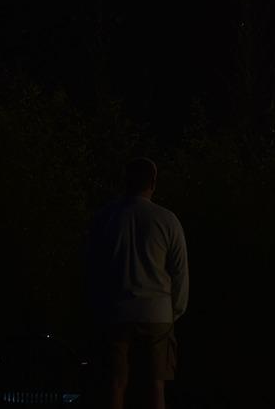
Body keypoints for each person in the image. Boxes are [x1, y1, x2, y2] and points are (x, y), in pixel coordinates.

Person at [86, 157, 189, 409]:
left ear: (125, 181)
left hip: (115, 311)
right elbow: (179, 272)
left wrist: (97, 307)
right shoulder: (167, 220)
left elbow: (92, 268)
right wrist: (174, 310)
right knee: (155, 385)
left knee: (115, 383)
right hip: (157, 313)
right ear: (153, 182)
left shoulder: (106, 217)